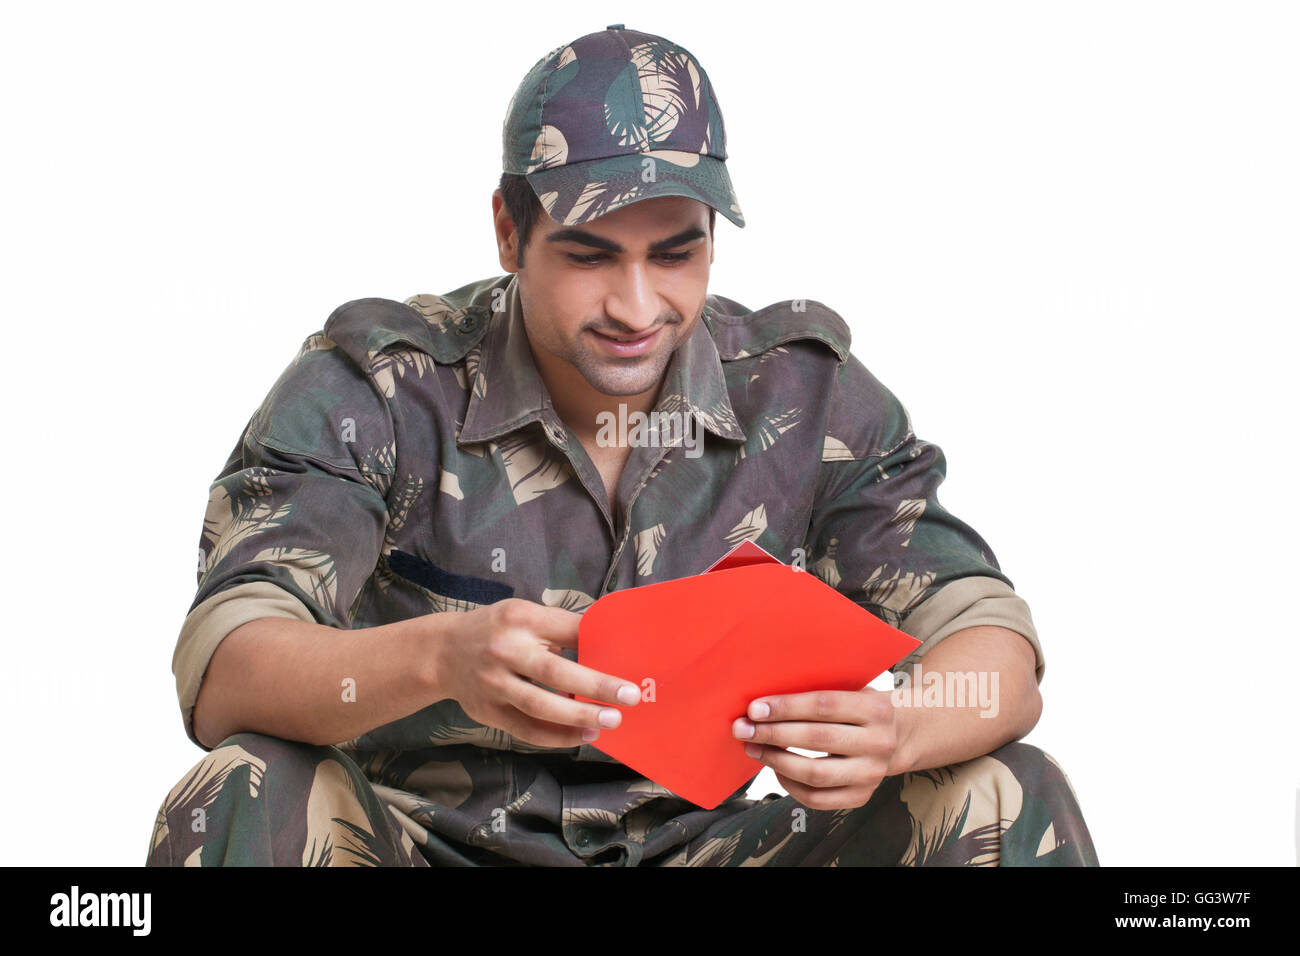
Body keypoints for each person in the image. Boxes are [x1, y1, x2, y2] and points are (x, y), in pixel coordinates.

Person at [147, 24, 1098, 867]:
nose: (637, 309)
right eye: (591, 255)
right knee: (246, 785)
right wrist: (439, 657)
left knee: (1004, 789)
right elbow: (229, 667)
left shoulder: (806, 399)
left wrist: (903, 726)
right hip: (417, 842)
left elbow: (994, 653)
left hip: (706, 847)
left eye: (675, 253)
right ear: (509, 232)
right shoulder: (381, 389)